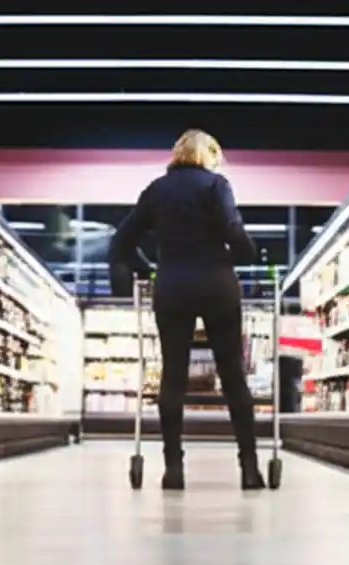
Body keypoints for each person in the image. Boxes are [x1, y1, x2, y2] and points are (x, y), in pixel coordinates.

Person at [108, 129, 264, 491]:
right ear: (209, 154)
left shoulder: (156, 190)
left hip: (173, 285)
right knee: (232, 375)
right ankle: (250, 469)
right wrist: (244, 253)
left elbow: (121, 242)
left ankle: (173, 469)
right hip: (216, 283)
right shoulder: (216, 185)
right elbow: (231, 227)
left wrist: (148, 267)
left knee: (173, 376)